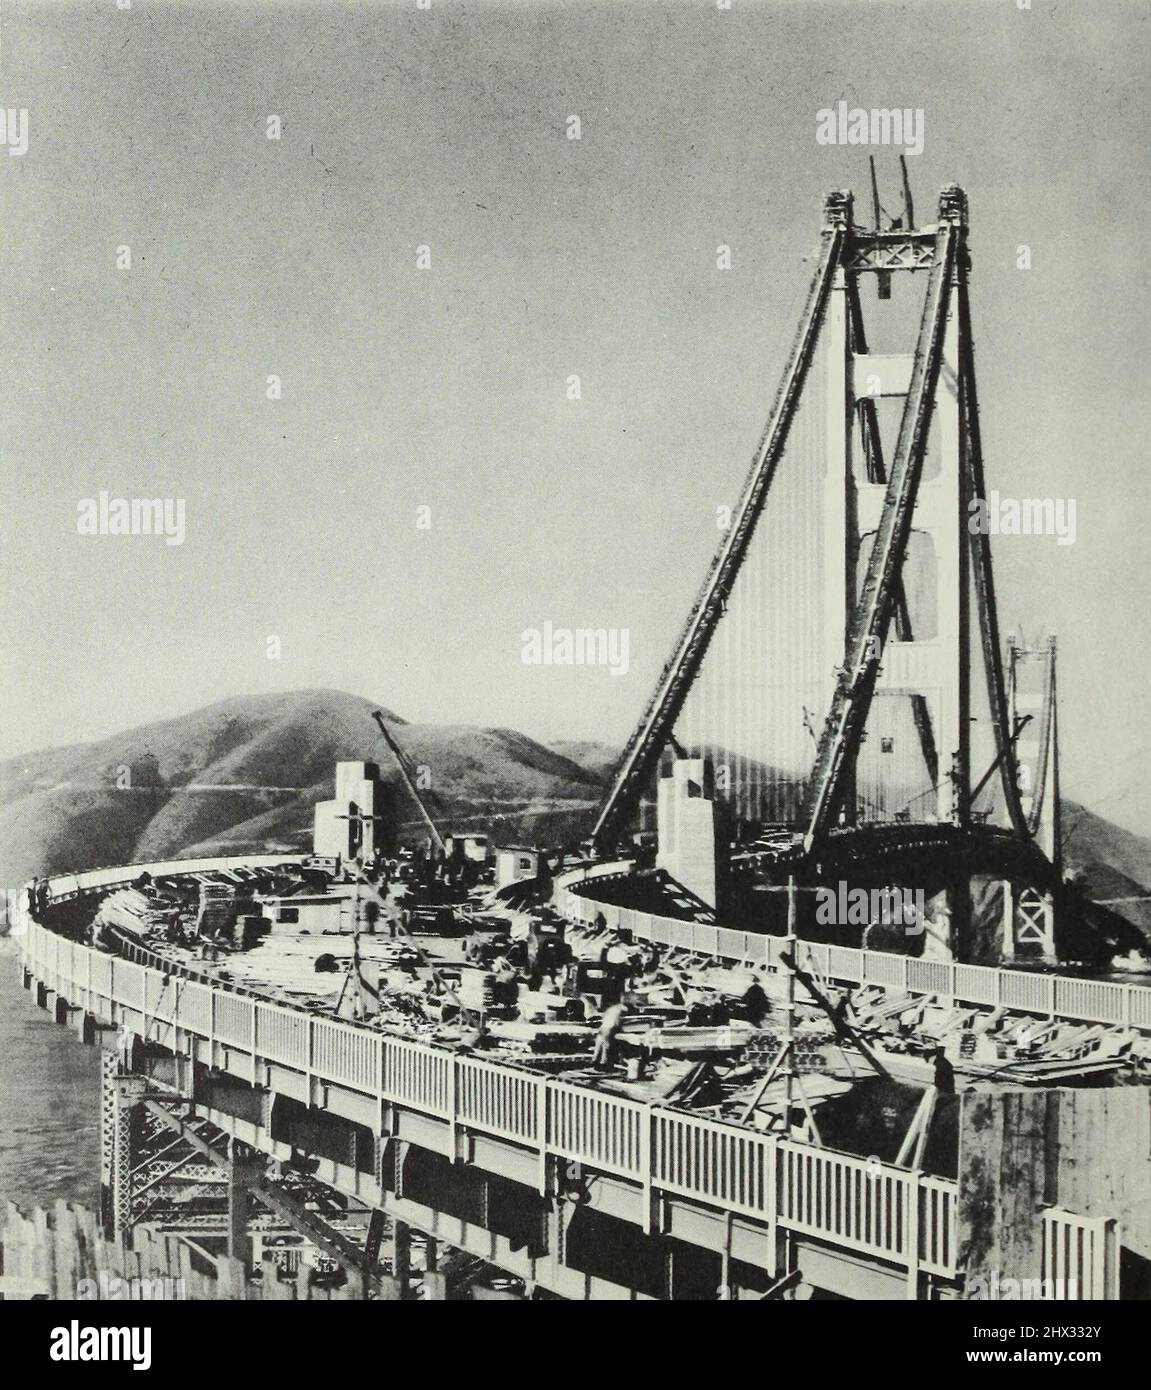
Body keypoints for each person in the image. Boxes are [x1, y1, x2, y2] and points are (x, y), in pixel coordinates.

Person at [592, 1001, 627, 1071]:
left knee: (598, 1045)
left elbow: (604, 1018)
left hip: (603, 1027)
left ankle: (595, 1061)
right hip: (609, 1028)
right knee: (605, 1046)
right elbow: (617, 1022)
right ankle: (603, 1063)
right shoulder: (618, 1010)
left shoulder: (610, 1010)